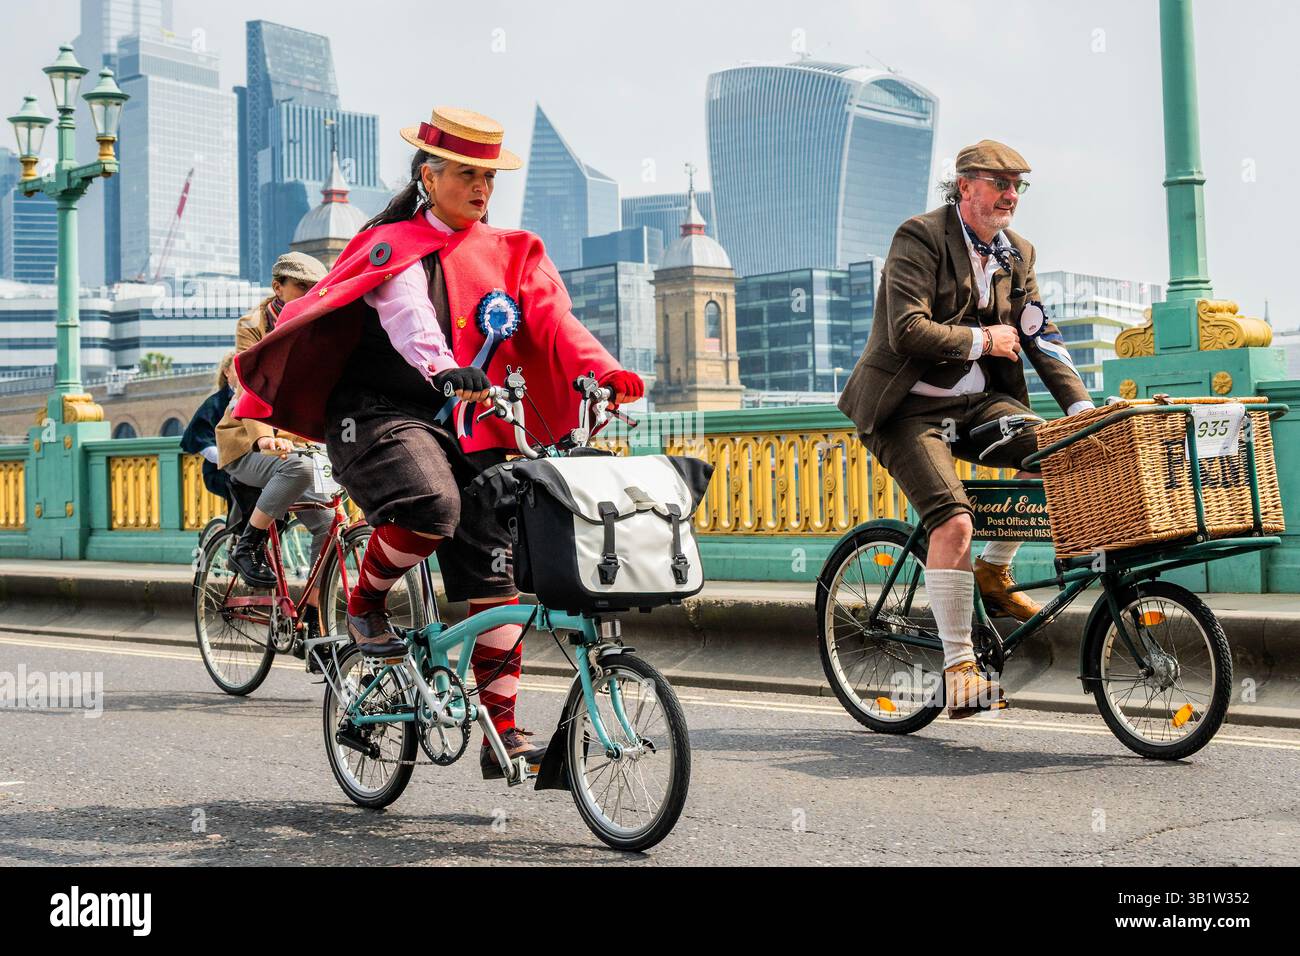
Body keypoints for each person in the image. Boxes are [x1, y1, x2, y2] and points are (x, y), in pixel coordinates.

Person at [231, 106, 645, 776]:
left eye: (489, 176)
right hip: (375, 415)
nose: (482, 187)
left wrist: (602, 370)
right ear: (429, 174)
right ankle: (365, 601)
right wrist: (442, 367)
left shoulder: (514, 252)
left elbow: (551, 321)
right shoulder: (394, 246)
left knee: (500, 580)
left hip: (466, 421)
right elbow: (409, 318)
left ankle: (501, 733)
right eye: (466, 174)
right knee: (431, 506)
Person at [836, 139, 1093, 718]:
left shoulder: (1017, 252)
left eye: (1017, 187)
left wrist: (1079, 410)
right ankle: (959, 670)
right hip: (907, 412)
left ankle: (995, 572)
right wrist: (982, 339)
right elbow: (906, 329)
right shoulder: (920, 236)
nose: (1010, 196)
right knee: (953, 523)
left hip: (980, 405)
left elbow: (1038, 334)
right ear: (965, 187)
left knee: (1057, 451)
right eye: (999, 184)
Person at [216, 251, 332, 655]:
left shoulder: (315, 325)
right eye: (301, 288)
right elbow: (250, 385)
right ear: (278, 287)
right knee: (297, 470)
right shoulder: (252, 326)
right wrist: (265, 437)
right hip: (248, 442)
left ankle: (313, 620)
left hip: (296, 441)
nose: (308, 295)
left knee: (330, 525)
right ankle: (246, 546)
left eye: (314, 289)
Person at [181, 352, 235, 508]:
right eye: (238, 368)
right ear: (227, 372)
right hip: (220, 472)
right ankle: (243, 530)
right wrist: (231, 460)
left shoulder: (256, 399)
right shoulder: (215, 404)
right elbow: (203, 441)